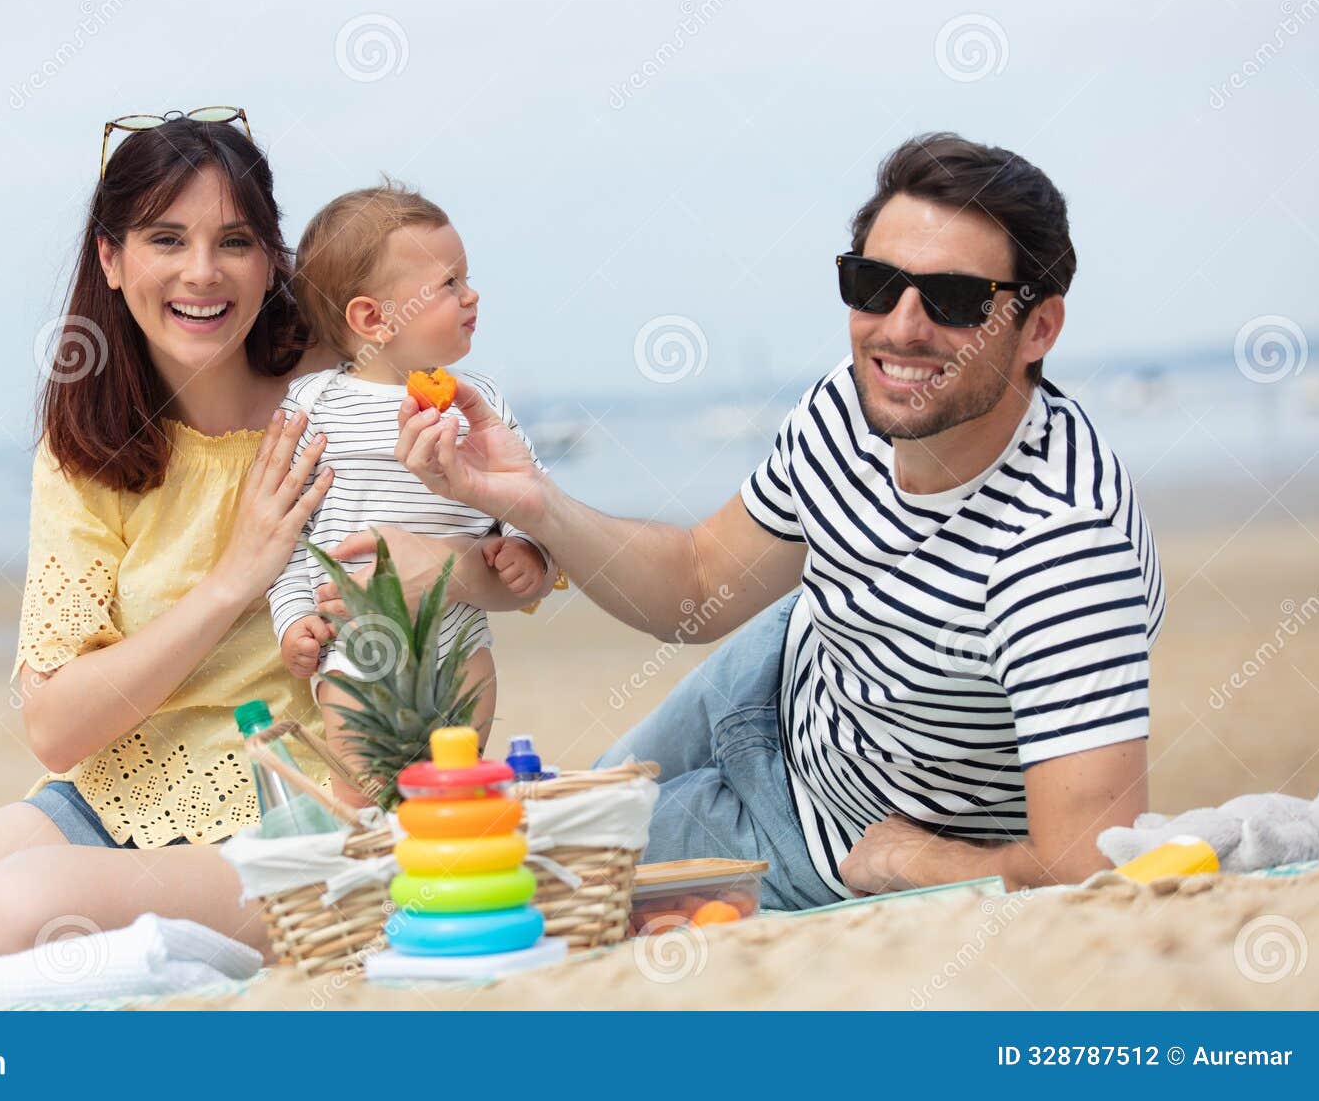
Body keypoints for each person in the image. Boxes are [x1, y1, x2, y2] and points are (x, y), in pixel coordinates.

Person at [0, 112, 544, 998]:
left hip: (303, 805)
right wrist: (237, 574)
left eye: (234, 241)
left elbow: (487, 557)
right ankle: (156, 964)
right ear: (112, 260)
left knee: (12, 915)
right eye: (167, 238)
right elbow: (54, 726)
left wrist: (482, 563)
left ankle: (212, 969)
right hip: (117, 803)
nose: (202, 272)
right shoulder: (88, 444)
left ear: (271, 261)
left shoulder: (343, 396)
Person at [394, 132, 1164, 910]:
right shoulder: (851, 405)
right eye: (873, 283)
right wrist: (533, 502)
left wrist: (910, 864)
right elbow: (698, 580)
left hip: (813, 839)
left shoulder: (1065, 551)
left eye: (954, 299)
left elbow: (1087, 869)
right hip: (784, 671)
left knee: (519, 884)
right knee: (544, 824)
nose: (901, 328)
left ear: (1039, 328)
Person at [269, 183, 555, 804]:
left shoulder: (476, 402)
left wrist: (530, 553)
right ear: (373, 319)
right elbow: (288, 543)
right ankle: (373, 894)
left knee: (455, 795)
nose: (471, 295)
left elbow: (532, 500)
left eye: (467, 278)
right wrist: (294, 620)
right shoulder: (314, 407)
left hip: (461, 646)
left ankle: (449, 883)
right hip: (354, 654)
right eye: (449, 284)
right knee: (368, 801)